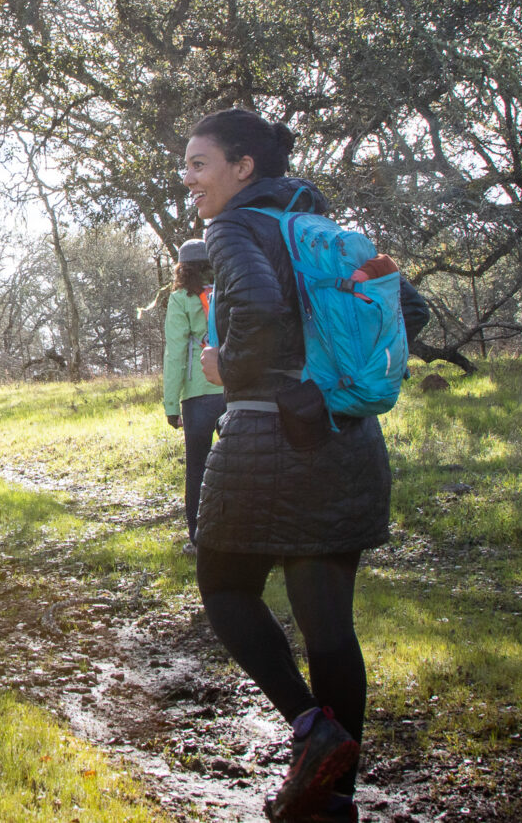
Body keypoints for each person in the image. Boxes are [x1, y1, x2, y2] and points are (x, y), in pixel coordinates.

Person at [183, 107, 429, 823]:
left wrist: (228, 361)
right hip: (346, 441)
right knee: (329, 625)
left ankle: (311, 729)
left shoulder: (233, 227)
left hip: (265, 445)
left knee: (224, 586)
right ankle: (335, 799)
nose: (190, 178)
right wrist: (329, 377)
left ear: (243, 167)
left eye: (200, 163)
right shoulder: (331, 232)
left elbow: (255, 311)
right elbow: (409, 310)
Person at [163, 238, 226, 556]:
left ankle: (200, 539)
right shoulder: (229, 290)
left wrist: (171, 404)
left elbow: (175, 353)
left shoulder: (180, 300)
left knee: (198, 468)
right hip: (233, 390)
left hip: (198, 397)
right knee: (239, 466)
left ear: (182, 268)